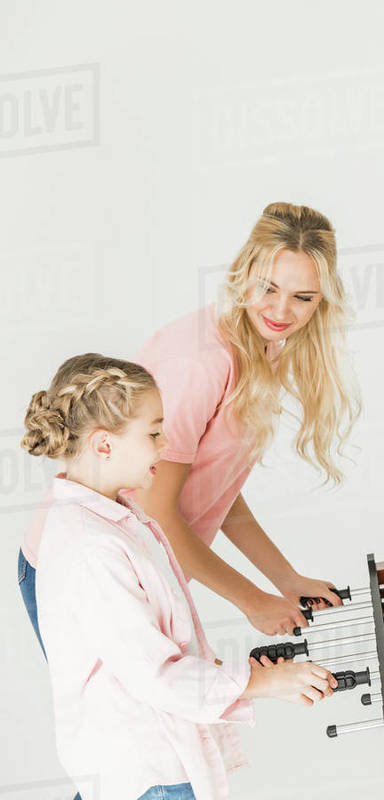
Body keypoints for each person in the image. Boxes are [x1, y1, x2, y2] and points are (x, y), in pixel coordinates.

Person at [21, 354, 338, 800]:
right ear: (103, 445)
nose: (166, 444)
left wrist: (247, 676)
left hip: (144, 760)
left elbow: (153, 651)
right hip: (147, 773)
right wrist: (262, 682)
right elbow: (156, 675)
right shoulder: (91, 548)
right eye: (153, 433)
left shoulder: (111, 519)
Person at [133, 201, 362, 636]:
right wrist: (252, 600)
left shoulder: (259, 346)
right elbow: (155, 510)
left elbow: (213, 488)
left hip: (152, 573)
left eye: (303, 298)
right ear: (243, 272)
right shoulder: (203, 363)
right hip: (95, 571)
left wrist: (284, 579)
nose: (280, 311)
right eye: (268, 288)